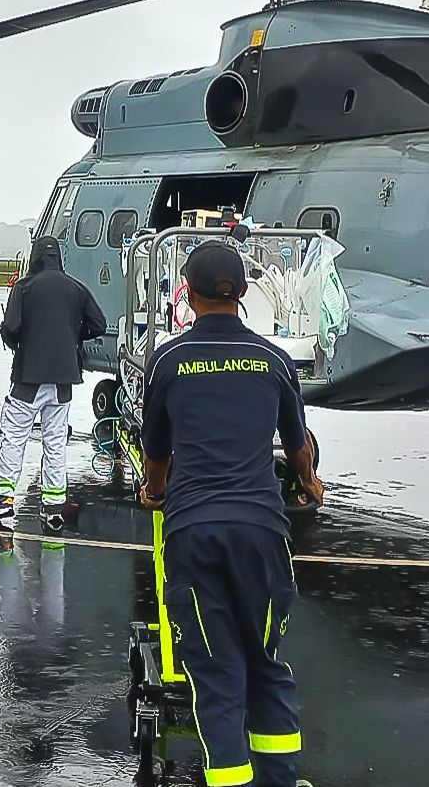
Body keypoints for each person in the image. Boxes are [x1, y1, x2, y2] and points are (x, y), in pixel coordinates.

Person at [138, 241, 323, 787]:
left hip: (194, 531)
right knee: (266, 662)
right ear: (244, 295)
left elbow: (156, 452)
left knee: (217, 674)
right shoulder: (274, 361)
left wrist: (154, 491)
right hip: (261, 532)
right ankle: (281, 781)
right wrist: (309, 482)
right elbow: (297, 445)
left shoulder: (168, 361)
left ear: (187, 295)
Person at [0, 235, 105, 531]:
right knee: (55, 441)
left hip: (28, 377)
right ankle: (53, 506)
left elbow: (11, 329)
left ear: (35, 256)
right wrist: (73, 336)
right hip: (64, 380)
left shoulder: (23, 288)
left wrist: (12, 338)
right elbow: (98, 324)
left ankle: (4, 500)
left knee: (15, 436)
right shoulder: (77, 288)